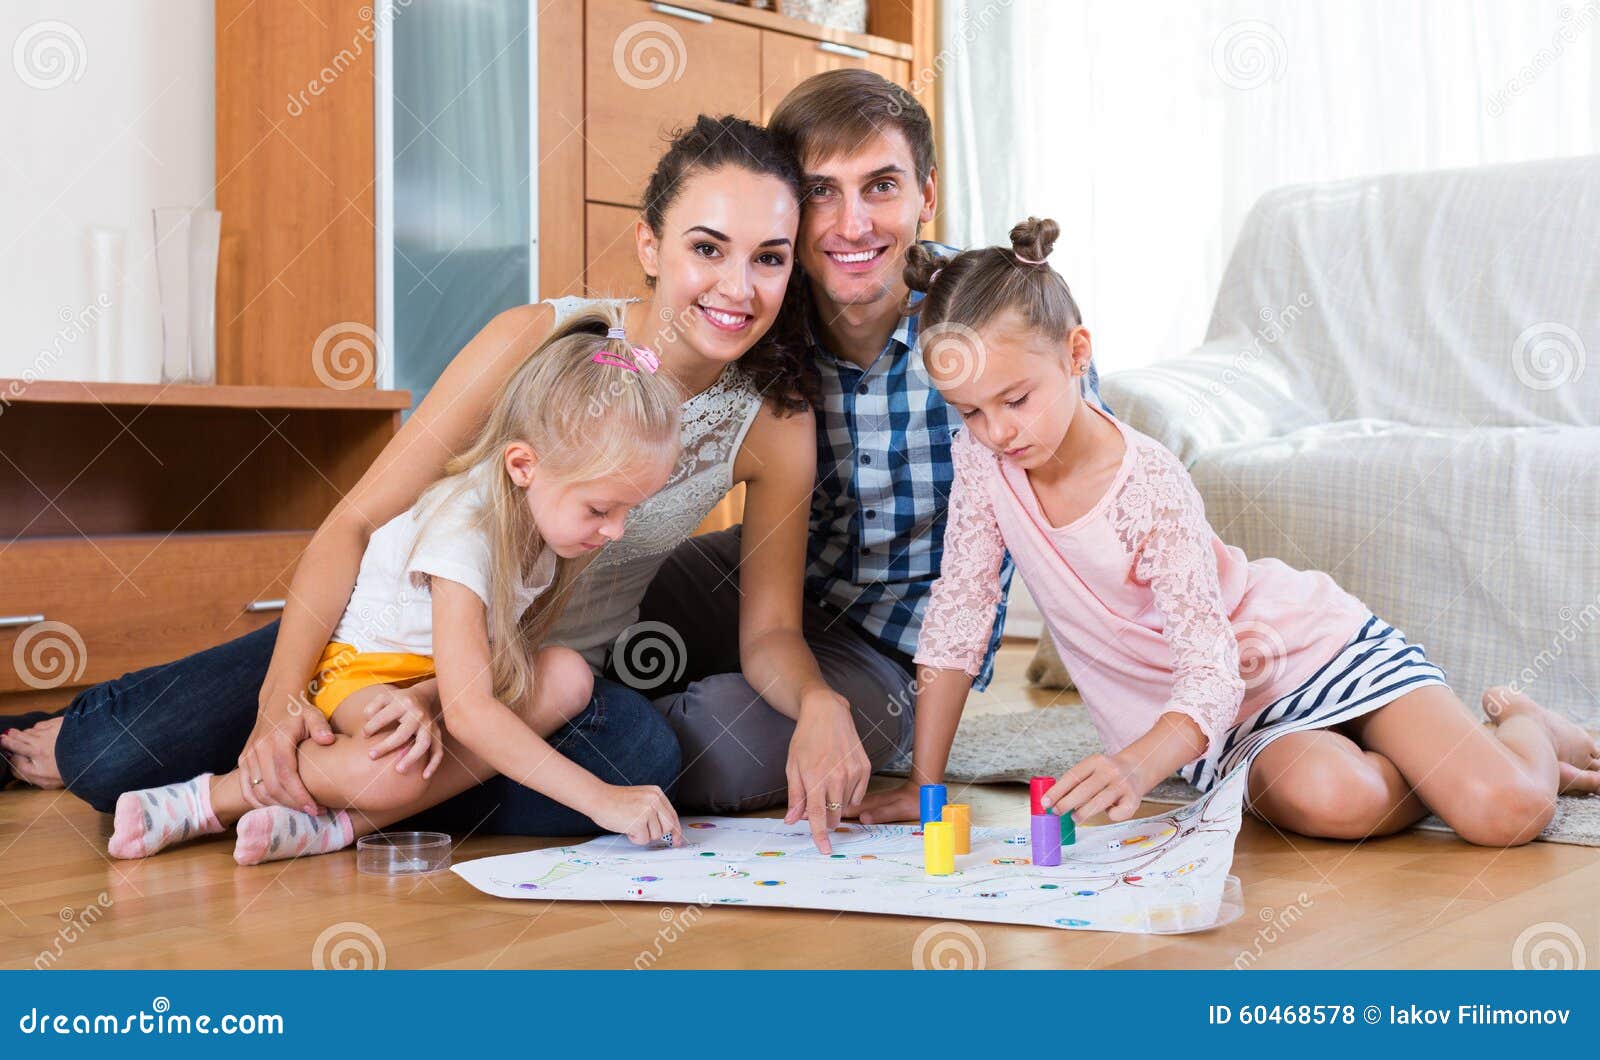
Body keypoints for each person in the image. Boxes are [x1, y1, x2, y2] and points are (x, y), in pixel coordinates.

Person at [2, 116, 842, 849]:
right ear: (650, 246)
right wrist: (276, 707)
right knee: (104, 759)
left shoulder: (773, 418)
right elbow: (355, 524)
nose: (739, 288)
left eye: (769, 258)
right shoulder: (540, 341)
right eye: (707, 247)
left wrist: (819, 705)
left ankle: (337, 789)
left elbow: (767, 630)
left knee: (640, 757)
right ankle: (318, 773)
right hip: (380, 639)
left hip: (527, 683)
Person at [866, 216, 1600, 844]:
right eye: (970, 411)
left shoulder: (1148, 482)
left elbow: (1211, 664)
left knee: (1504, 812)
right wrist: (926, 790)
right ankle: (1438, 762)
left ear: (1076, 355)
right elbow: (960, 615)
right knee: (1335, 800)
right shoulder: (983, 463)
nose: (996, 431)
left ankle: (1527, 728)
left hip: (1305, 650)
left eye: (1016, 398)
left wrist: (1135, 765)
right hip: (1228, 722)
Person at [635, 70, 1107, 826]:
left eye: (880, 186)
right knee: (597, 612)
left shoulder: (998, 319)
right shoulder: (755, 297)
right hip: (759, 576)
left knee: (711, 745)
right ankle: (529, 718)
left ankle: (581, 739)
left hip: (889, 652)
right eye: (821, 192)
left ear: (926, 195)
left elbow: (1101, 507)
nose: (852, 225)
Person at [106, 310, 686, 863]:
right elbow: (472, 714)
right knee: (398, 765)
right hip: (362, 670)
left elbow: (482, 675)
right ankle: (208, 800)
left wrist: (426, 698)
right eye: (602, 509)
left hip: (438, 681)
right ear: (523, 465)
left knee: (566, 674)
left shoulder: (550, 527)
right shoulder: (466, 526)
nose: (616, 531)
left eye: (629, 511)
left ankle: (338, 826)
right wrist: (603, 799)